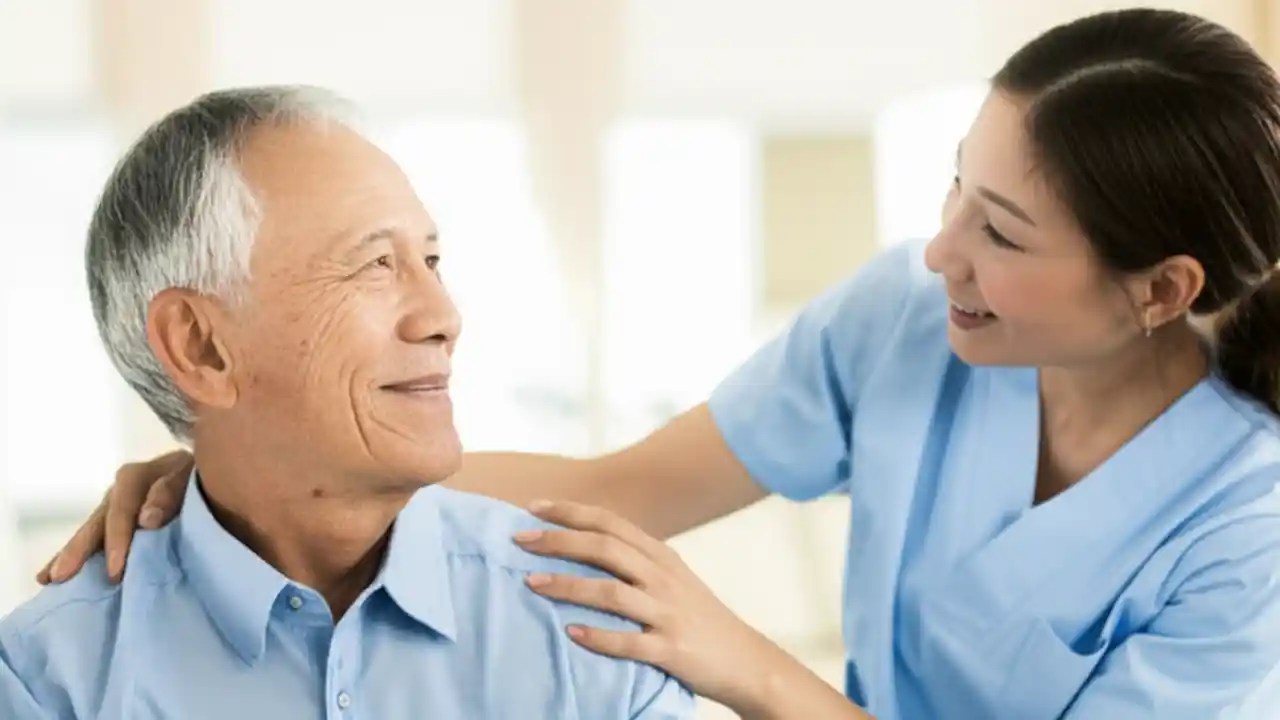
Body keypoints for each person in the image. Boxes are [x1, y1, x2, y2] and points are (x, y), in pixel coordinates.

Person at [34, 8, 1280, 719]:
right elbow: (619, 485)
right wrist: (223, 470)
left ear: (1158, 292)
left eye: (1000, 232)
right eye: (959, 179)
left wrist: (737, 660)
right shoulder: (911, 318)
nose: (938, 247)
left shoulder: (1244, 522)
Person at [0, 86, 694, 719]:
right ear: (202, 348)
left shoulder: (591, 628)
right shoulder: (50, 679)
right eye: (374, 265)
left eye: (431, 261)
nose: (443, 317)